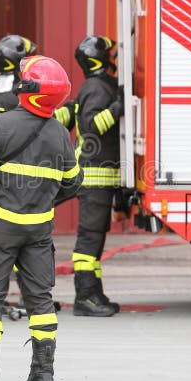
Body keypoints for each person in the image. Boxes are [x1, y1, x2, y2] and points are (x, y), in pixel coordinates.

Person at [0, 55, 83, 381]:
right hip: (39, 231)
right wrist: (42, 199)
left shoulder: (1, 124)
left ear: (25, 89)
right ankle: (42, 378)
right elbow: (73, 182)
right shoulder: (60, 134)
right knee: (41, 300)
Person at [71, 35, 123, 317]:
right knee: (89, 239)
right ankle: (85, 297)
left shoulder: (100, 85)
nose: (113, 58)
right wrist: (117, 108)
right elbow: (91, 126)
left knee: (96, 239)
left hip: (102, 177)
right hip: (93, 177)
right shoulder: (95, 87)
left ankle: (94, 293)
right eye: (110, 54)